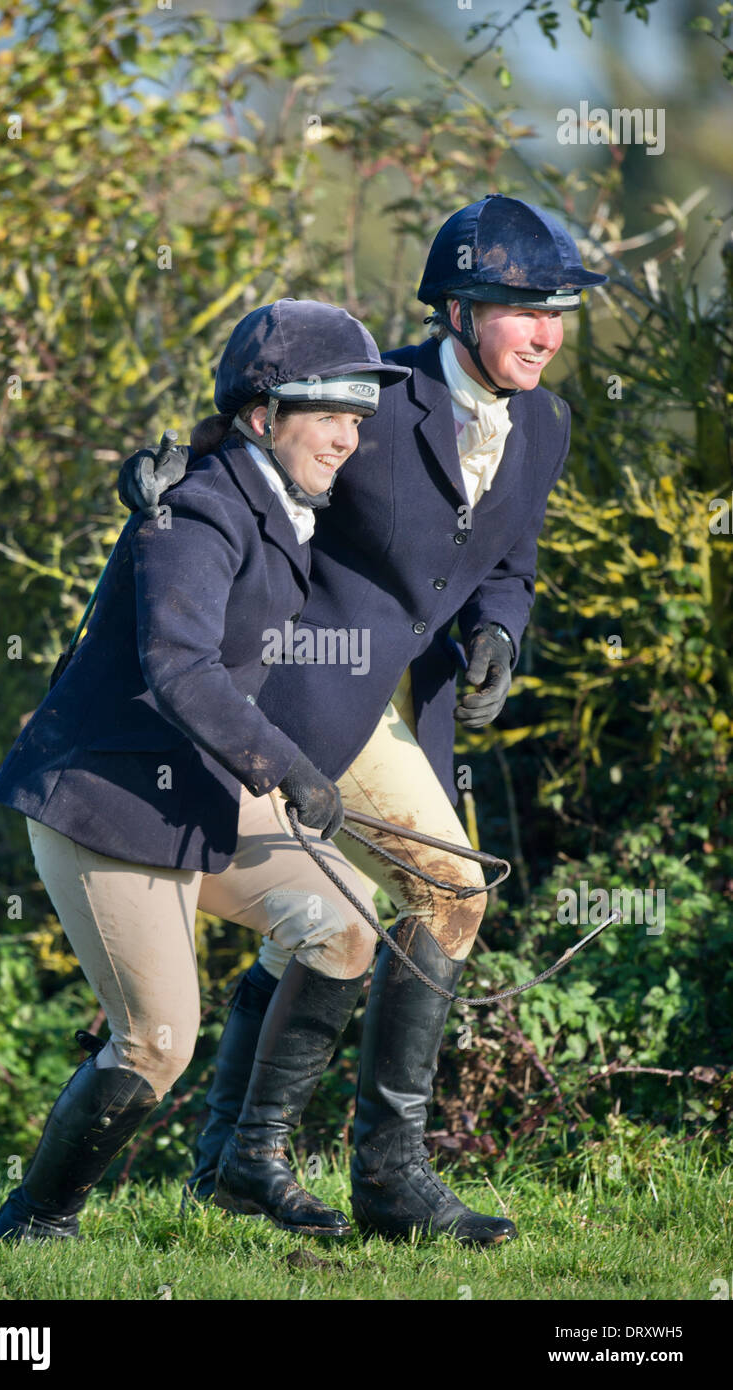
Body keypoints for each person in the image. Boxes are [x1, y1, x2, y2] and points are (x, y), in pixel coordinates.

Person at [120, 195, 608, 1244]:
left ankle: (233, 1155)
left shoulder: (548, 425)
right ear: (460, 309)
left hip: (412, 704)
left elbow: (510, 569)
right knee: (452, 890)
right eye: (526, 311)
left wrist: (498, 639)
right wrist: (164, 488)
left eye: (559, 312)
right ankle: (388, 1174)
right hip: (309, 686)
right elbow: (252, 443)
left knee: (322, 919)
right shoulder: (376, 393)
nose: (549, 334)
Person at [0, 298, 410, 1242]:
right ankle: (36, 1222)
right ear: (262, 415)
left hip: (196, 786)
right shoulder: (198, 510)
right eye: (329, 414)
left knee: (342, 924)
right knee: (158, 1041)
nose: (349, 438)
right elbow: (179, 665)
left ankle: (244, 1163)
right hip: (102, 796)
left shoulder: (278, 497)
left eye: (358, 417)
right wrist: (290, 767)